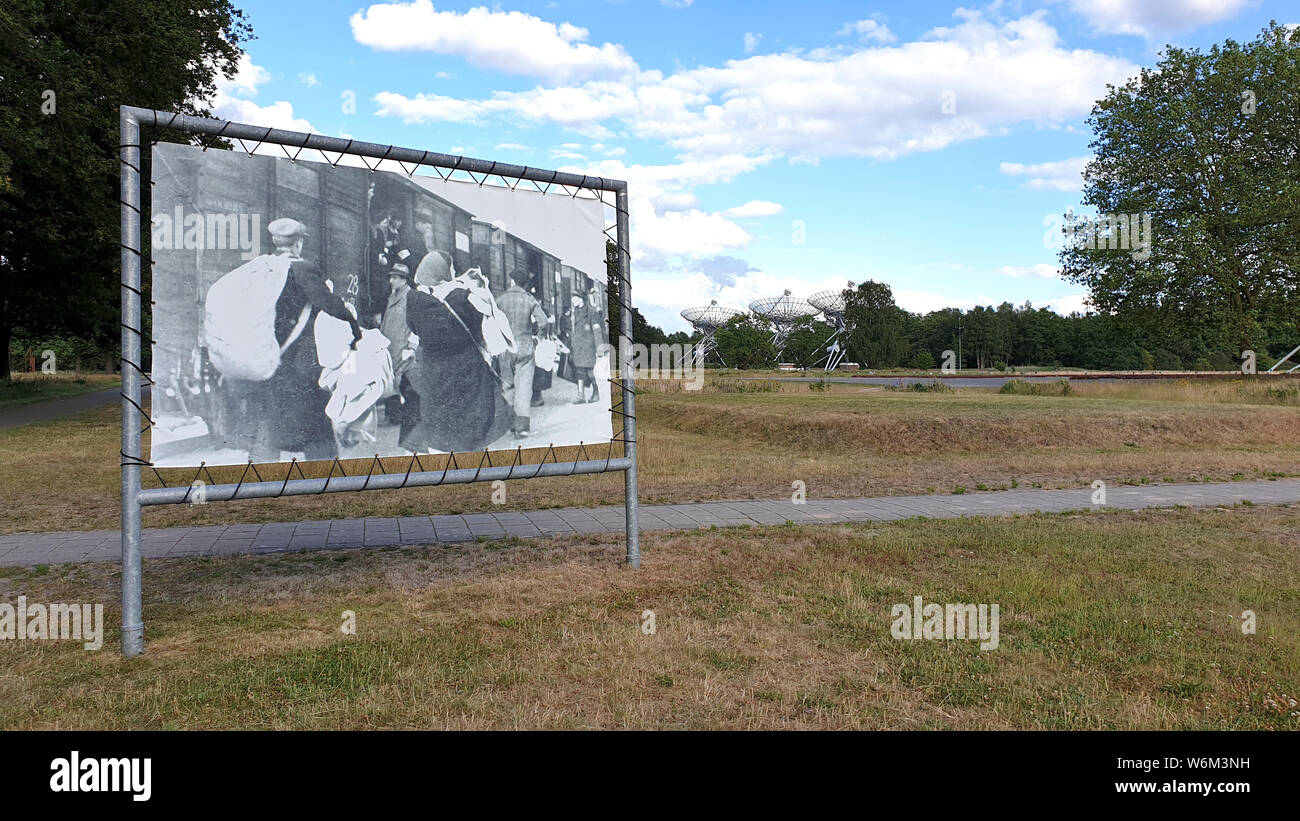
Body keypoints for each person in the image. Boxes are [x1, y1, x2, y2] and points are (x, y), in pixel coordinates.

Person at [261, 217, 362, 460]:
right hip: (301, 361)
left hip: (272, 356)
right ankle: (325, 481)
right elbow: (330, 305)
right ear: (297, 244)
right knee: (316, 428)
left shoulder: (266, 268)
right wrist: (356, 330)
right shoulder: (302, 268)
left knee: (274, 424)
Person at [399, 260, 513, 453]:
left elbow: (414, 329)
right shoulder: (464, 297)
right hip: (468, 373)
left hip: (434, 373)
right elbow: (482, 332)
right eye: (451, 267)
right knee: (471, 430)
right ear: (443, 272)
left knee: (441, 428)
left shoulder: (414, 301)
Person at [497, 269, 549, 436]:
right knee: (524, 386)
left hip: (505, 348)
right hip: (525, 345)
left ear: (512, 281)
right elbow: (544, 321)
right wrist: (537, 338)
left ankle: (509, 423)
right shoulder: (529, 299)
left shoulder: (500, 300)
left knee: (507, 384)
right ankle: (522, 427)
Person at [378, 261, 415, 427]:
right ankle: (393, 415)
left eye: (395, 278)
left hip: (402, 347)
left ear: (404, 280)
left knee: (402, 382)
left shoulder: (410, 298)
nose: (391, 281)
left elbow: (415, 325)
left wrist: (411, 347)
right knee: (389, 378)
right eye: (391, 278)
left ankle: (402, 416)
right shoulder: (392, 297)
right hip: (389, 345)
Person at [568, 291, 604, 404]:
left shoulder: (591, 312)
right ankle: (580, 395)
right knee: (579, 371)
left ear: (581, 299)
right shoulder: (575, 312)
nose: (573, 300)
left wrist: (599, 348)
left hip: (588, 347)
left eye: (575, 297)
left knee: (590, 371)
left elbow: (597, 331)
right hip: (578, 346)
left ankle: (596, 392)